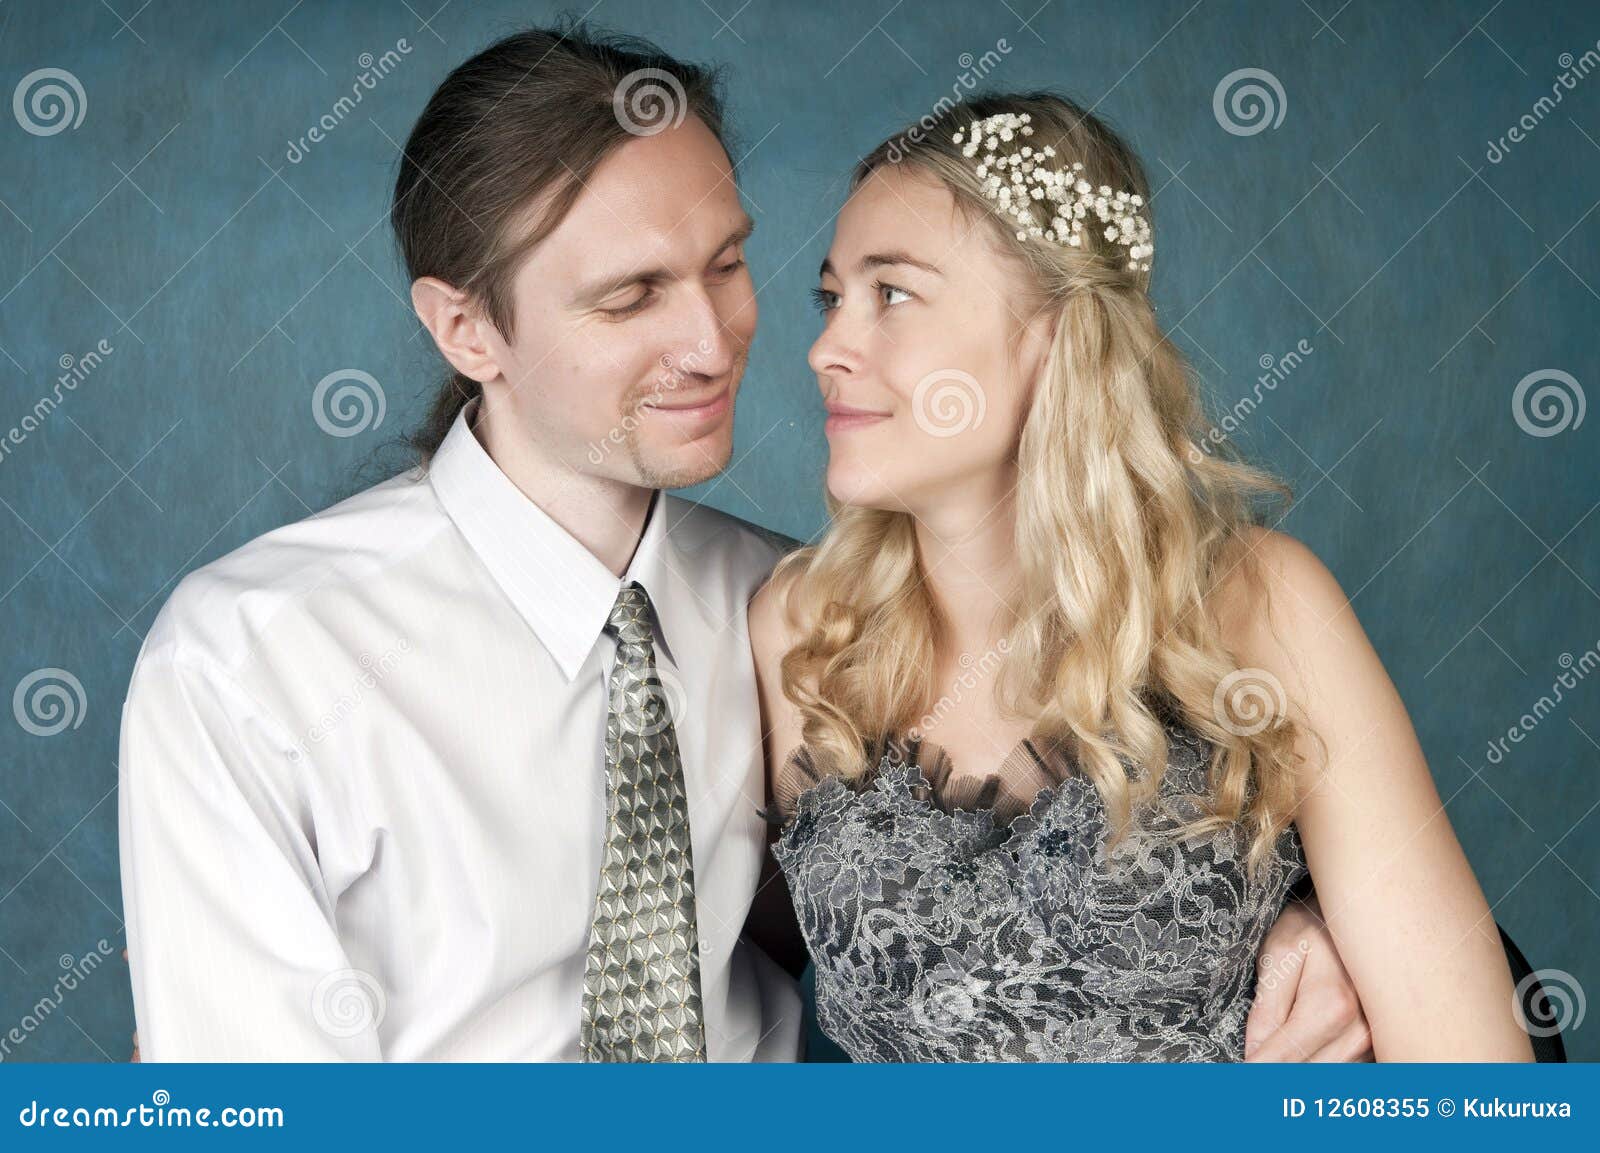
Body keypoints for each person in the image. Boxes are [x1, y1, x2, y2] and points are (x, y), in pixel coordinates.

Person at [118, 25, 1366, 1062]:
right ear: (466, 331)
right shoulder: (250, 661)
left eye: (726, 267)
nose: (716, 343)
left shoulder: (798, 616)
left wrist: (1279, 922)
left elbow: (947, 925)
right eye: (630, 297)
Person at [749, 93, 1535, 1062]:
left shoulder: (1259, 602)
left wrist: (1304, 926)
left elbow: (1475, 1083)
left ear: (1052, 332)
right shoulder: (800, 628)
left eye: (892, 295)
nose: (828, 347)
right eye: (832, 298)